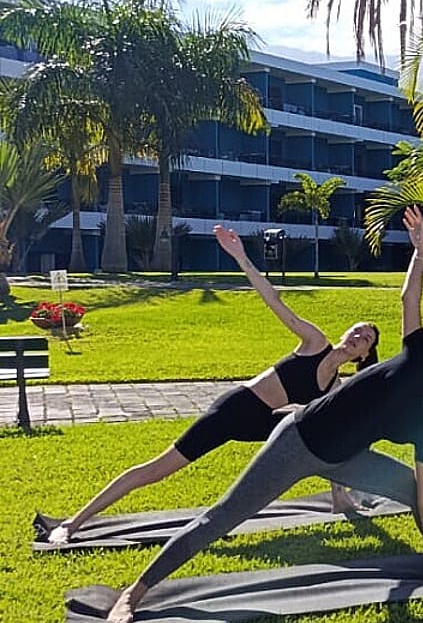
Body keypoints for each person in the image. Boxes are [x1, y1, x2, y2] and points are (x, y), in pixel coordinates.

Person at [105, 206, 423, 623]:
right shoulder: (417, 359)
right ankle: (135, 592)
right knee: (224, 516)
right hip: (299, 440)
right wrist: (419, 253)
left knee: (411, 487)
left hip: (346, 460)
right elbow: (408, 298)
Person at [46, 225, 380, 545]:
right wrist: (240, 257)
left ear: (363, 354)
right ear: (345, 332)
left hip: (266, 422)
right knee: (156, 470)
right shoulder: (314, 341)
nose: (357, 336)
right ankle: (71, 523)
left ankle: (341, 499)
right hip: (234, 410)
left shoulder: (334, 386)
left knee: (331, 436)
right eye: (357, 329)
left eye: (365, 338)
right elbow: (274, 300)